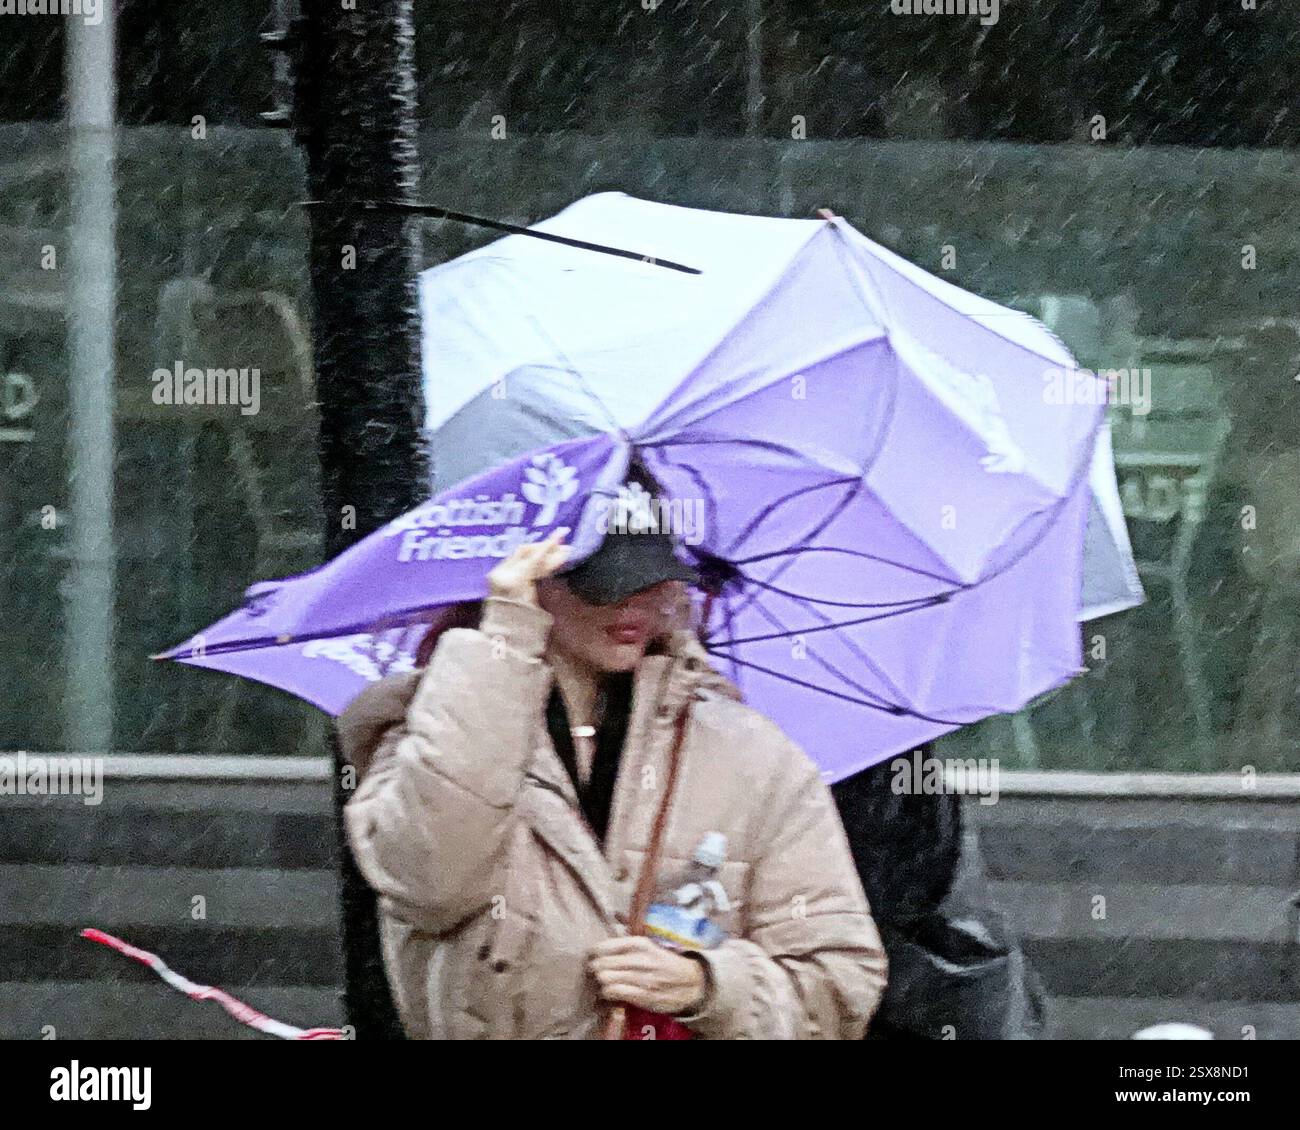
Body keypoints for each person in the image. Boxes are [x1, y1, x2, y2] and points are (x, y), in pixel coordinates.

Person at [338, 515, 887, 1040]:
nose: (633, 604)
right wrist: (503, 638)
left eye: (652, 580)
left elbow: (840, 985)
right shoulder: (430, 734)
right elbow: (432, 885)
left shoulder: (751, 754)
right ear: (525, 578)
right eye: (599, 582)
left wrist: (708, 987)